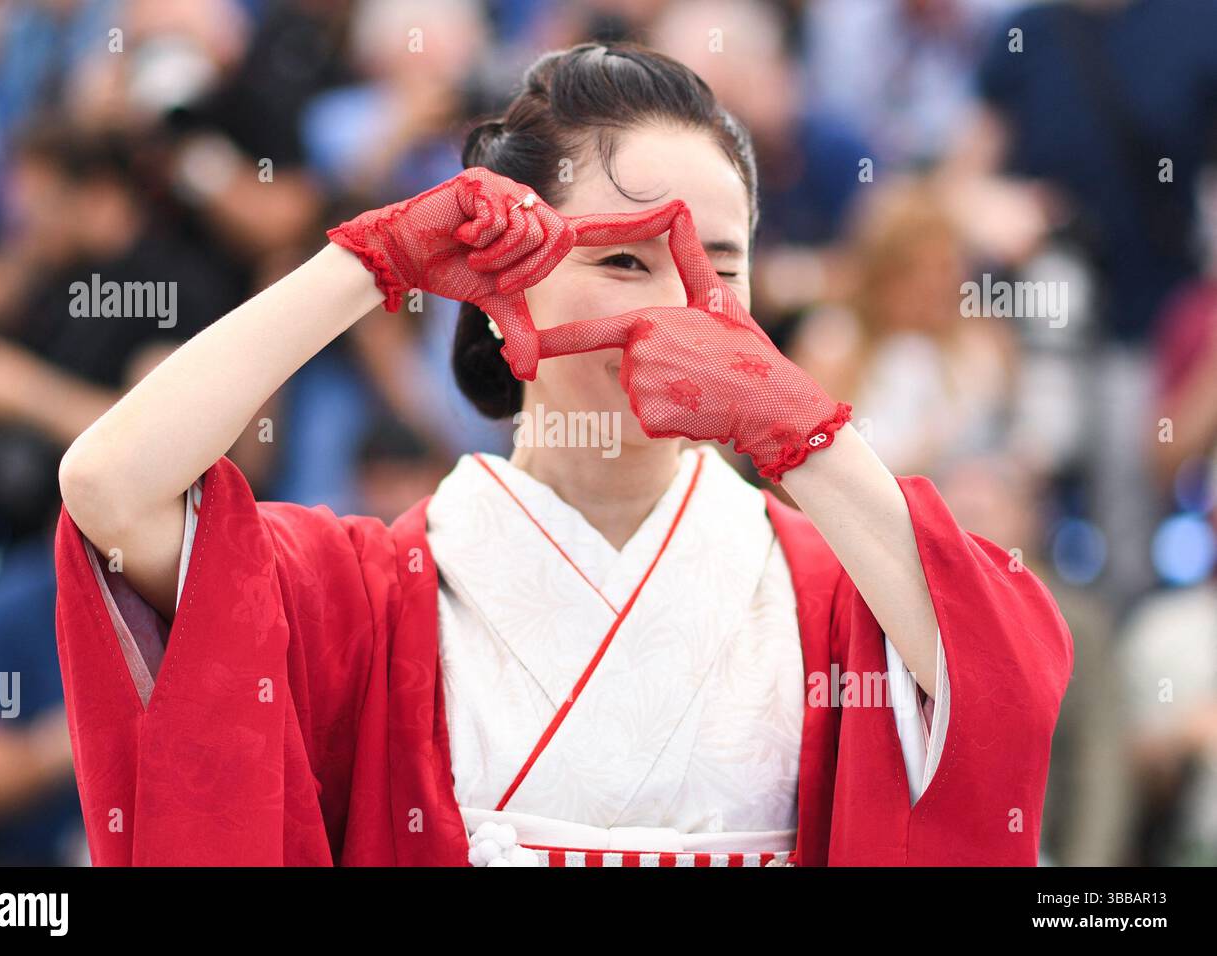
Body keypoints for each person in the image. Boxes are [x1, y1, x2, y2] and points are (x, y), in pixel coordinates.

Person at [54, 42, 1072, 866]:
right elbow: (109, 486)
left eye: (724, 268)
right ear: (498, 292)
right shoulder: (367, 596)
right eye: (626, 259)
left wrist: (799, 430)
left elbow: (1005, 685)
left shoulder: (835, 591)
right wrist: (370, 264)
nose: (687, 306)